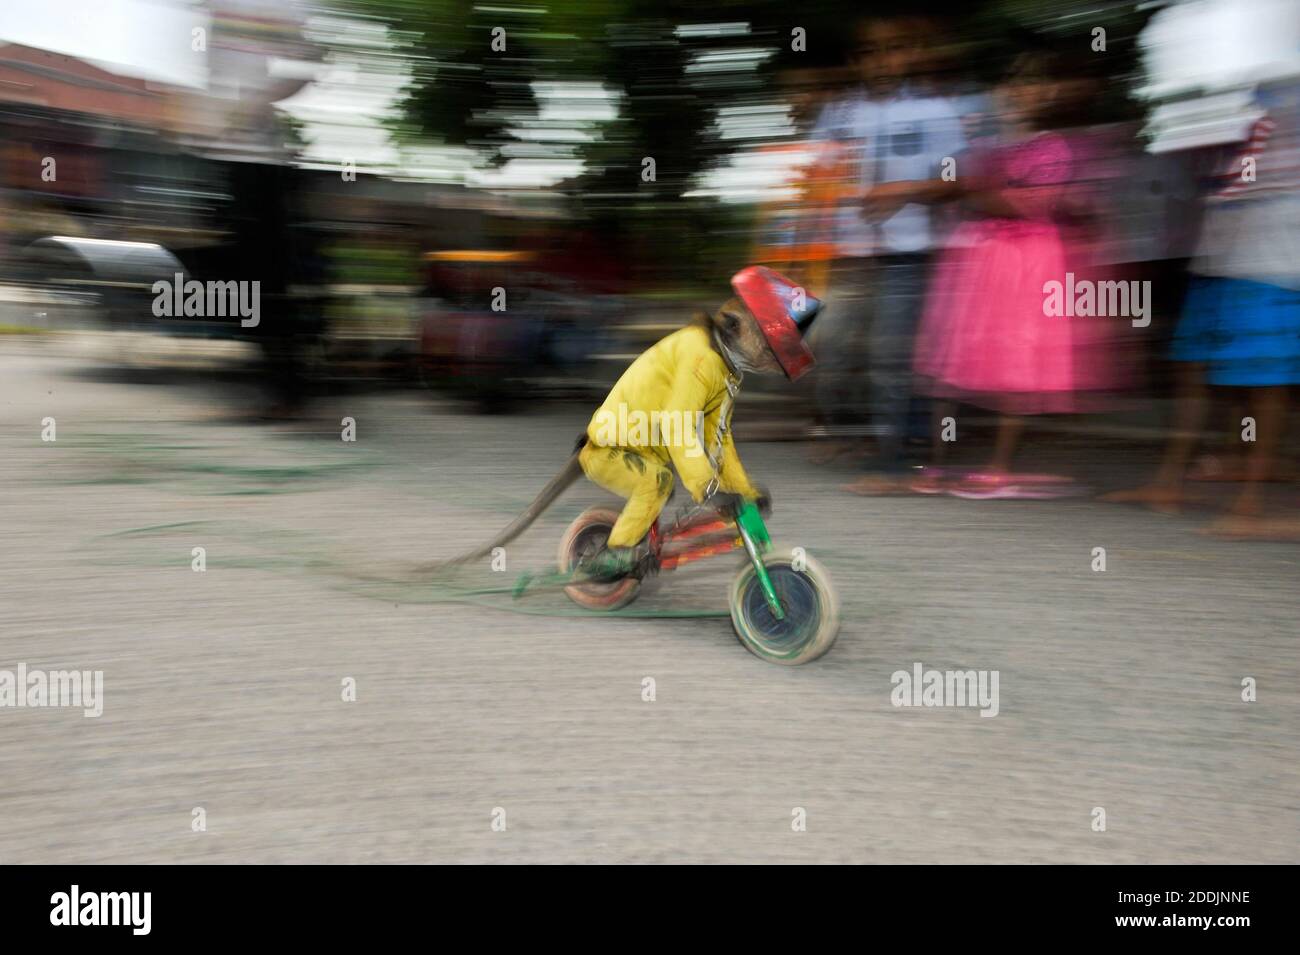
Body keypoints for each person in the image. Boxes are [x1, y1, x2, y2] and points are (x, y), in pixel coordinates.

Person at [576, 267, 821, 580]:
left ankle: (634, 544)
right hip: (609, 447)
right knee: (657, 484)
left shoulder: (726, 370)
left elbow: (718, 438)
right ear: (738, 327)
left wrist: (742, 491)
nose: (771, 360)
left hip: (645, 450)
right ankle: (615, 554)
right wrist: (707, 487)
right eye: (768, 346)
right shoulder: (701, 356)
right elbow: (677, 424)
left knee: (661, 481)